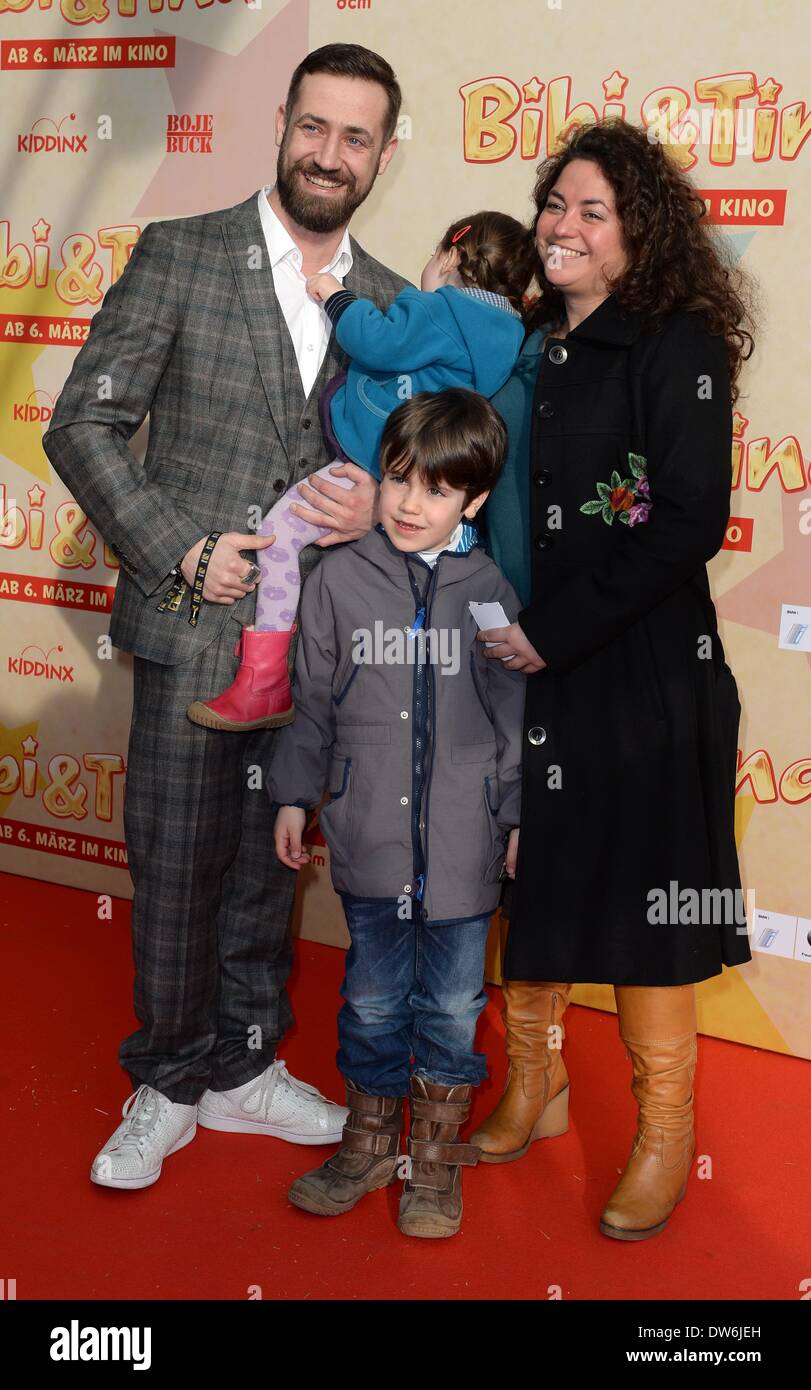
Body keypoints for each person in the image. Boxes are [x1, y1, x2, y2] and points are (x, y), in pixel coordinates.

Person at [41, 43, 415, 1189]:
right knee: (175, 864)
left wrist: (376, 513)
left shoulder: (396, 306)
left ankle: (246, 1063)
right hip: (193, 631)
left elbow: (420, 486)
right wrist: (181, 549)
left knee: (270, 863)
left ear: (383, 156)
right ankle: (164, 1079)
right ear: (281, 124)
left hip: (315, 652)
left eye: (356, 138)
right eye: (315, 128)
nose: (330, 155)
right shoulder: (184, 253)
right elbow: (81, 425)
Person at [469, 117, 756, 1241]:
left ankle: (664, 1126)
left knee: (649, 903)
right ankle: (535, 1089)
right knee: (531, 880)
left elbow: (686, 522)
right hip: (525, 662)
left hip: (636, 668)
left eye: (595, 212)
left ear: (641, 234)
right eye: (556, 205)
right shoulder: (531, 341)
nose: (564, 227)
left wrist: (554, 632)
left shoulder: (677, 342)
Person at [267, 388, 527, 1239]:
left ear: (474, 501)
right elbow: (310, 703)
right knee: (373, 1000)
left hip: (464, 845)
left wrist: (518, 814)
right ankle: (371, 1143)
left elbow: (513, 720)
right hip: (372, 835)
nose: (412, 504)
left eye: (437, 489)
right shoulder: (338, 580)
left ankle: (435, 1165)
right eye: (398, 480)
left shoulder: (492, 592)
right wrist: (295, 796)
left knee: (452, 1007)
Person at [186, 210, 537, 730]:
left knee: (277, 537)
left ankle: (264, 682)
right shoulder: (509, 333)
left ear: (452, 254)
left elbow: (377, 341)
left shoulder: (441, 310)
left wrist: (335, 293)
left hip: (367, 459)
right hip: (410, 469)